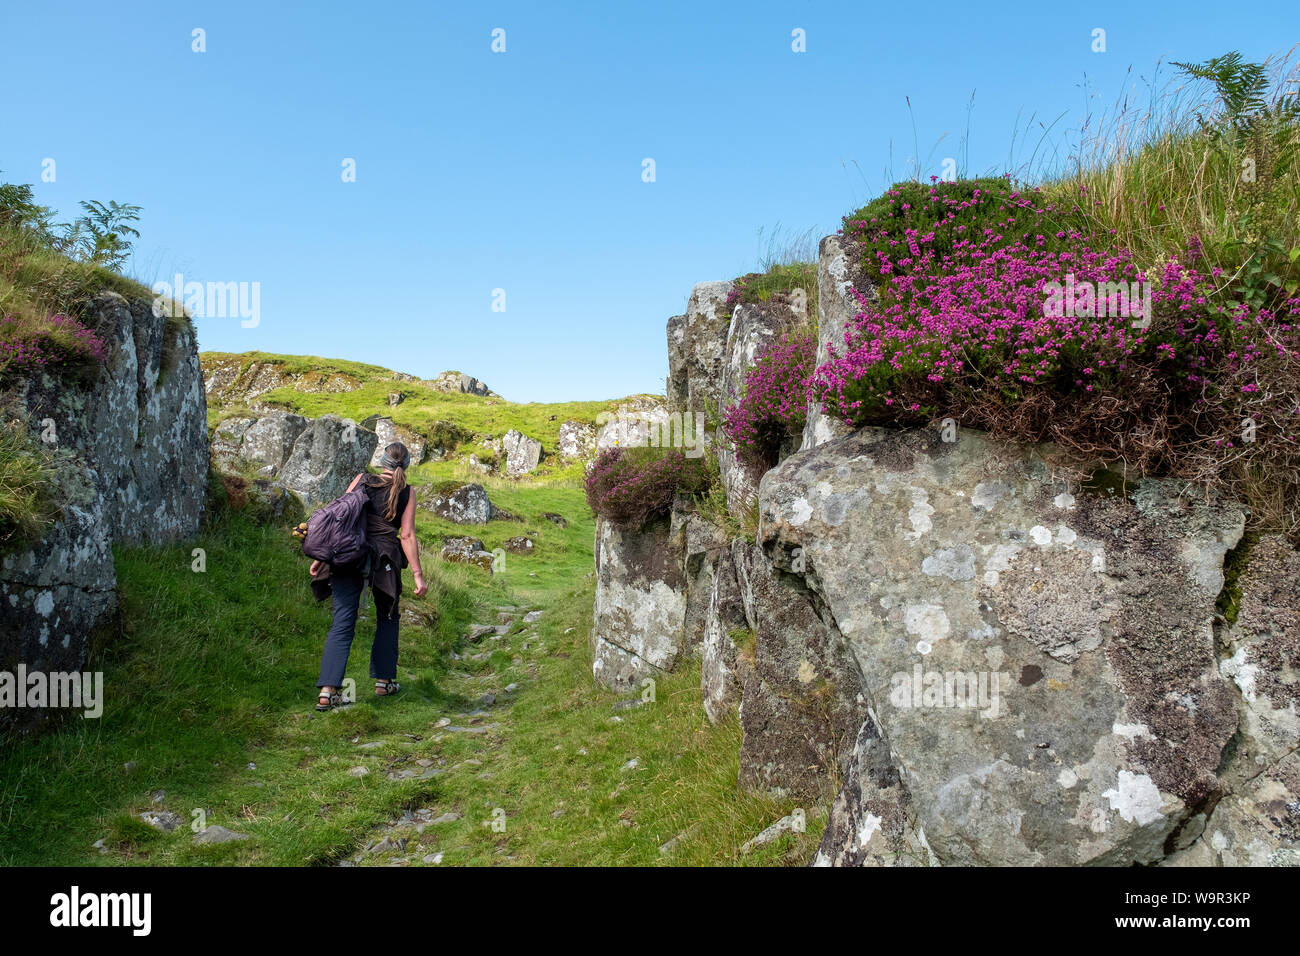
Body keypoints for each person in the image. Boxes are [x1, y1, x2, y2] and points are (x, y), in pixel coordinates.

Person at [311, 441, 427, 710]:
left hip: (349, 554)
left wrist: (322, 556)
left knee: (343, 620)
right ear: (406, 465)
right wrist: (418, 575)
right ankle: (384, 681)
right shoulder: (407, 492)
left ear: (382, 461)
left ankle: (328, 691)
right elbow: (407, 535)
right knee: (388, 617)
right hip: (385, 559)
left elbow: (339, 519)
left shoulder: (362, 480)